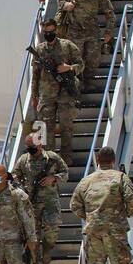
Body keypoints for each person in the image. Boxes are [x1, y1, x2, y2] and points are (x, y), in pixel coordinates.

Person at [71, 146, 133, 264]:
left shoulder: (86, 181)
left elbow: (75, 205)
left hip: (94, 232)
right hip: (115, 231)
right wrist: (127, 213)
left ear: (98, 161)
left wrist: (91, 218)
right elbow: (132, 199)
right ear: (113, 160)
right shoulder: (120, 178)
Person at [31, 17, 84, 166]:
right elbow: (35, 75)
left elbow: (80, 65)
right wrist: (34, 95)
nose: (49, 35)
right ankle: (50, 159)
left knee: (66, 125)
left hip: (65, 93)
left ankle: (66, 156)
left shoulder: (67, 46)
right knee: (45, 127)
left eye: (51, 31)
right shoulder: (40, 50)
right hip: (47, 94)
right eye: (46, 32)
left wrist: (69, 68)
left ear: (56, 30)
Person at [12, 134, 67, 264]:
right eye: (28, 146)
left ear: (40, 145)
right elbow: (15, 174)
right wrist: (19, 185)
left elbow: (65, 173)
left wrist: (53, 178)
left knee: (52, 228)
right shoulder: (23, 160)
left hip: (50, 201)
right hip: (31, 202)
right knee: (32, 233)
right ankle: (34, 260)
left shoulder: (52, 157)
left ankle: (47, 250)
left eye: (33, 146)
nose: (30, 149)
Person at [56, 0, 115, 86]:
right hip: (74, 31)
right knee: (75, 59)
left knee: (93, 59)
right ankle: (76, 84)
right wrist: (66, 5)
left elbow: (110, 13)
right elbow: (60, 1)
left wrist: (109, 32)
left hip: (91, 32)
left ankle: (87, 80)